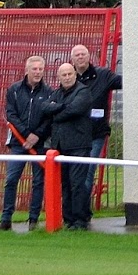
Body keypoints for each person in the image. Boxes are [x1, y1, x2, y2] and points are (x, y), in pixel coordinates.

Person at [0, 55, 51, 230]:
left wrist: (37, 135)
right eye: (34, 69)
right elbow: (11, 114)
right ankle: (6, 219)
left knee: (38, 182)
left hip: (40, 144)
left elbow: (49, 118)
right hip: (17, 143)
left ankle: (33, 220)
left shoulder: (49, 92)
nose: (37, 72)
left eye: (40, 69)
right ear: (26, 70)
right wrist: (26, 134)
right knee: (12, 179)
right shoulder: (14, 90)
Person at [46, 61, 97, 230]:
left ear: (75, 74)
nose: (67, 77)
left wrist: (57, 112)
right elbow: (45, 107)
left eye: (70, 74)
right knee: (66, 184)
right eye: (64, 75)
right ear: (58, 77)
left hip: (79, 145)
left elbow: (75, 109)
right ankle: (68, 220)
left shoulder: (83, 91)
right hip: (61, 145)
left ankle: (80, 220)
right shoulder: (56, 93)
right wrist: (60, 108)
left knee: (77, 183)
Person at [70, 43, 122, 166]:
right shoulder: (69, 78)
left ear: (89, 57)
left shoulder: (103, 75)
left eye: (83, 54)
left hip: (96, 133)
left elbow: (125, 82)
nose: (80, 57)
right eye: (77, 55)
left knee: (88, 173)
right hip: (75, 134)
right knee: (75, 174)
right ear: (72, 59)